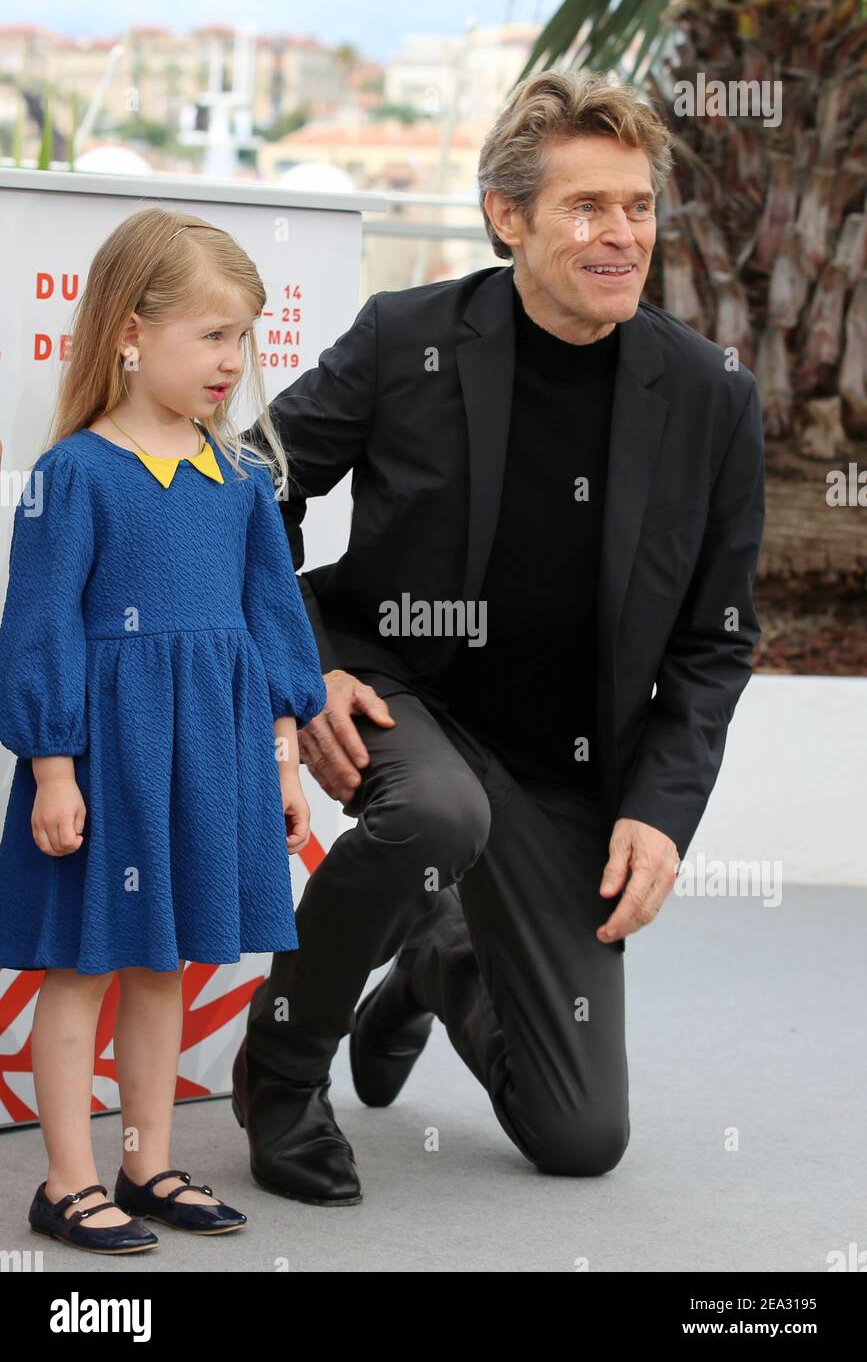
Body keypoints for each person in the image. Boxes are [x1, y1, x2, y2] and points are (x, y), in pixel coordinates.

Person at [231, 68, 766, 1205]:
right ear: (507, 216)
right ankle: (281, 1072)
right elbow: (247, 482)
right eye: (587, 207)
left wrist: (660, 814)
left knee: (579, 1135)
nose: (622, 235)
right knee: (435, 808)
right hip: (396, 683)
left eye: (637, 206)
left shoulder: (712, 397)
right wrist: (303, 664)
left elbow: (716, 640)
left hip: (566, 770)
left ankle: (435, 958)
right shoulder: (407, 336)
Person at [0, 207, 326, 1253]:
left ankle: (146, 1161)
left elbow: (276, 626)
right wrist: (55, 771)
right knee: (79, 966)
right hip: (106, 763)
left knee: (161, 965)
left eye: (247, 337)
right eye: (214, 335)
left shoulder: (241, 479)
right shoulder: (76, 476)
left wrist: (281, 759)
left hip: (209, 758)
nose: (237, 361)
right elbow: (41, 631)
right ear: (130, 333)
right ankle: (66, 1181)